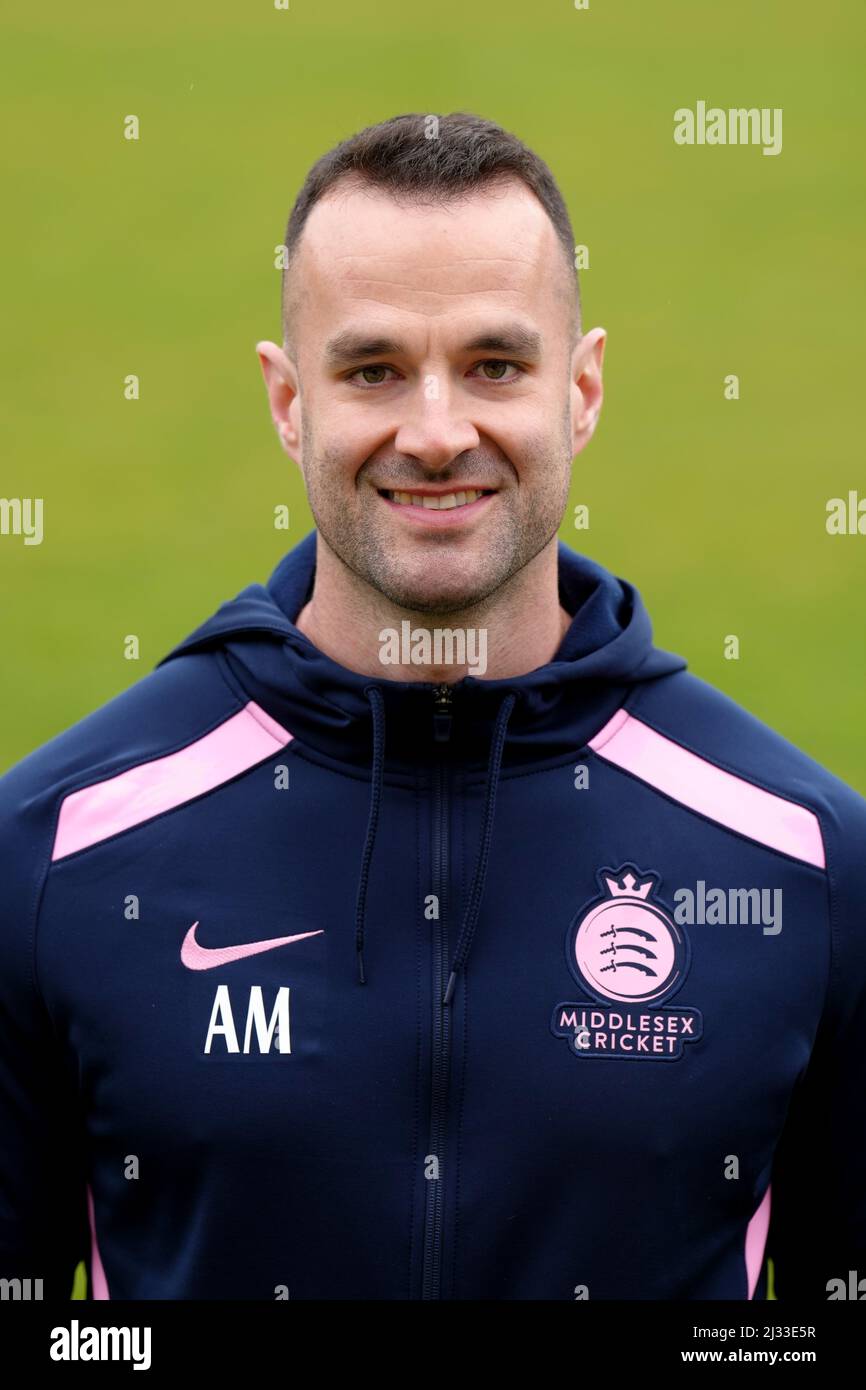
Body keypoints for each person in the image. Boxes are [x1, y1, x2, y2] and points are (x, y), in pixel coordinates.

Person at [1, 112, 863, 1302]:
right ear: (287, 401)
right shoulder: (52, 850)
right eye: (372, 371)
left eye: (494, 365)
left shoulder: (805, 862)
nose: (437, 432)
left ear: (584, 388)